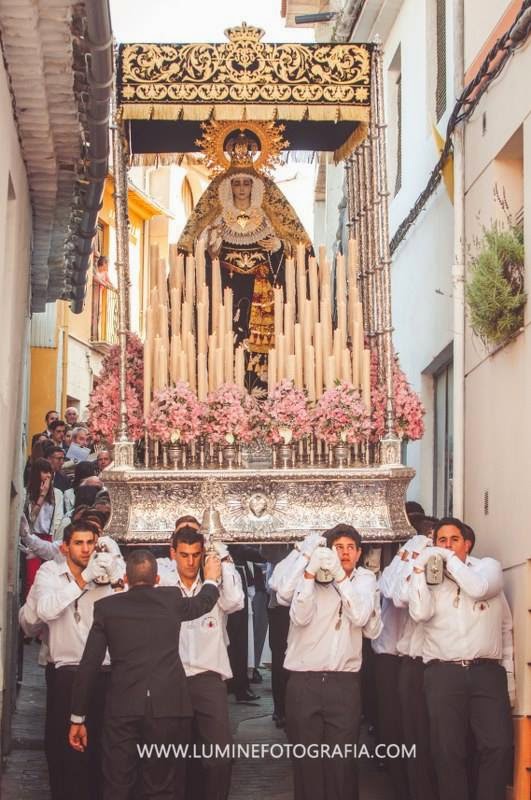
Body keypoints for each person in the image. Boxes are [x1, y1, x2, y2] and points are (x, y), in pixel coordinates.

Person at [69, 549, 222, 800]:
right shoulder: (171, 599)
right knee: (161, 785)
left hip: (123, 706)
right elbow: (202, 603)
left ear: (126, 580)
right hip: (168, 706)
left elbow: (89, 665)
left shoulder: (107, 608)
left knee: (118, 783)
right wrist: (212, 578)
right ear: (157, 579)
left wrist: (77, 717)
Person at [179, 129, 311, 391]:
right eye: (237, 183)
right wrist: (210, 250)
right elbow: (192, 247)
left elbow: (299, 247)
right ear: (229, 186)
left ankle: (262, 385)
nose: (241, 188)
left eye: (246, 183)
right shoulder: (217, 217)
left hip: (262, 292)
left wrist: (278, 246)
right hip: (226, 288)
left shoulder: (268, 213)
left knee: (259, 345)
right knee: (228, 338)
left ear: (255, 186)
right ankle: (225, 385)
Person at [408, 517, 513, 800]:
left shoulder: (486, 568)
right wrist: (419, 570)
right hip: (444, 674)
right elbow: (419, 613)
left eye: (454, 540)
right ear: (432, 544)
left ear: (467, 543)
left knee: (498, 746)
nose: (447, 546)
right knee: (447, 751)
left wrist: (448, 559)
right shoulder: (431, 577)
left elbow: (480, 592)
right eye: (441, 541)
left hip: (486, 672)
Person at [278, 524, 377, 800]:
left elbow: (359, 617)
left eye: (350, 548)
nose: (344, 553)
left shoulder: (365, 580)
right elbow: (299, 616)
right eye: (338, 548)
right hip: (303, 682)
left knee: (342, 763)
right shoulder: (306, 577)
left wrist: (339, 578)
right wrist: (309, 571)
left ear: (358, 553)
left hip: (343, 683)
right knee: (307, 763)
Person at [32, 520, 122, 800]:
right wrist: (83, 581)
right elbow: (45, 610)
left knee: (101, 753)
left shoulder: (105, 572)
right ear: (65, 547)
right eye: (79, 543)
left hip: (104, 672)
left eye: (90, 543)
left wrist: (115, 577)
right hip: (68, 673)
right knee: (67, 753)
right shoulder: (50, 572)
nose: (86, 550)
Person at [158, 526, 244, 800]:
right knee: (172, 755)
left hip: (209, 677)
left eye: (196, 555)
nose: (191, 562)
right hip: (172, 677)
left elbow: (236, 601)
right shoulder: (163, 585)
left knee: (220, 754)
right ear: (174, 554)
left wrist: (222, 562)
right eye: (184, 555)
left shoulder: (214, 584)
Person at [24, 458, 65, 594]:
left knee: (49, 576)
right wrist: (41, 496)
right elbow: (31, 518)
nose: (48, 476)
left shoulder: (56, 494)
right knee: (32, 577)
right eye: (45, 472)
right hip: (33, 537)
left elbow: (57, 519)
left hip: (48, 538)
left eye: (50, 472)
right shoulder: (28, 494)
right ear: (37, 473)